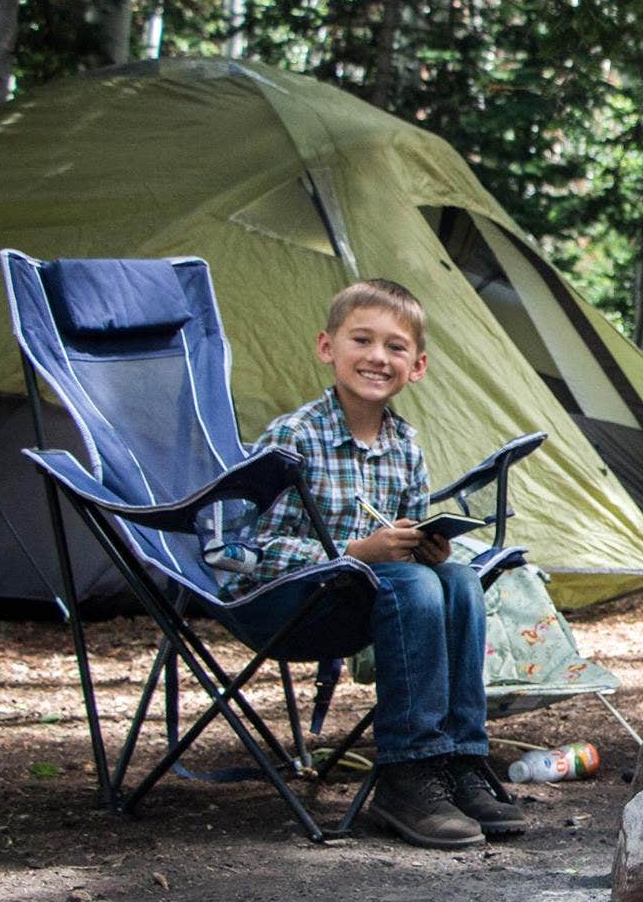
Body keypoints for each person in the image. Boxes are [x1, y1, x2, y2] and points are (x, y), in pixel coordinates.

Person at [218, 279, 523, 848]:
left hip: (379, 611)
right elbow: (247, 551)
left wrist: (427, 546)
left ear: (419, 366)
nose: (378, 357)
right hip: (293, 608)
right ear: (327, 347)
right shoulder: (293, 437)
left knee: (454, 578)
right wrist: (354, 554)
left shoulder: (405, 445)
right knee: (410, 580)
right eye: (362, 340)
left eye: (396, 347)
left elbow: (406, 547)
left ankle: (458, 761)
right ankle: (407, 775)